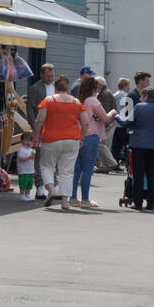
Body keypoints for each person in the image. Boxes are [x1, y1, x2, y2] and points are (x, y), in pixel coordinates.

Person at [33, 76, 85, 209]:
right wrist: (81, 137)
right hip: (71, 139)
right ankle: (64, 201)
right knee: (67, 171)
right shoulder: (76, 102)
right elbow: (85, 122)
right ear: (67, 88)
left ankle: (51, 190)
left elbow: (39, 121)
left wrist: (35, 137)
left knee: (46, 166)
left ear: (55, 88)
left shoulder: (48, 101)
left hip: (50, 139)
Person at [71, 75, 116, 208]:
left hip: (78, 136)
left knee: (76, 169)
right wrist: (113, 112)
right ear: (94, 88)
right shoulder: (93, 101)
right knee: (87, 169)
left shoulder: (80, 100)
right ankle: (85, 199)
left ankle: (73, 197)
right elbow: (105, 118)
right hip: (91, 136)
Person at [120, 86, 154, 210]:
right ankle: (151, 203)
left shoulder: (138, 107)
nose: (140, 99)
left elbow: (127, 123)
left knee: (138, 174)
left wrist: (116, 117)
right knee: (153, 175)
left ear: (145, 96)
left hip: (138, 145)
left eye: (141, 96)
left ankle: (138, 202)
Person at [27, 63, 56, 198]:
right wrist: (34, 127)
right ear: (41, 74)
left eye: (52, 75)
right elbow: (30, 109)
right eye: (48, 75)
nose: (50, 78)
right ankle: (39, 187)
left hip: (55, 127)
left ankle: (54, 186)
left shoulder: (57, 88)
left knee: (54, 158)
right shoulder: (34, 88)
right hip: (41, 127)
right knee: (39, 157)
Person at [94, 77, 120, 173]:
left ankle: (111, 163)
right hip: (110, 122)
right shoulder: (106, 93)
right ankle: (105, 166)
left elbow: (103, 111)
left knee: (101, 144)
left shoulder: (104, 94)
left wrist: (103, 123)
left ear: (100, 84)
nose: (95, 85)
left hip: (107, 123)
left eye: (96, 83)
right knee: (105, 145)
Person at [112, 78, 134, 163]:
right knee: (127, 145)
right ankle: (129, 164)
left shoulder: (115, 95)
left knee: (116, 146)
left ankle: (115, 163)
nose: (129, 88)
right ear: (124, 86)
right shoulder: (126, 96)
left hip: (115, 123)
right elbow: (129, 111)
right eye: (128, 86)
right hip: (123, 123)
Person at [16, 136, 37, 201]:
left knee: (29, 183)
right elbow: (20, 158)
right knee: (23, 183)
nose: (28, 142)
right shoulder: (21, 150)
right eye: (26, 141)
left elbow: (32, 161)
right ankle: (22, 195)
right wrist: (28, 157)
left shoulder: (31, 150)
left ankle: (27, 194)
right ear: (22, 141)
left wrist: (34, 169)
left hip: (30, 170)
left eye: (30, 141)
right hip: (23, 170)